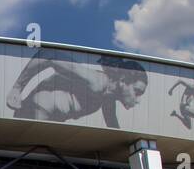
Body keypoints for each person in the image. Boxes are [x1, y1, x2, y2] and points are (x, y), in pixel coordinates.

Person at [8, 54, 146, 126]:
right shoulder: (96, 81)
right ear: (123, 81)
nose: (138, 100)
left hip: (46, 120)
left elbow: (113, 127)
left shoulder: (108, 97)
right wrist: (17, 88)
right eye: (137, 92)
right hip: (36, 112)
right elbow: (49, 55)